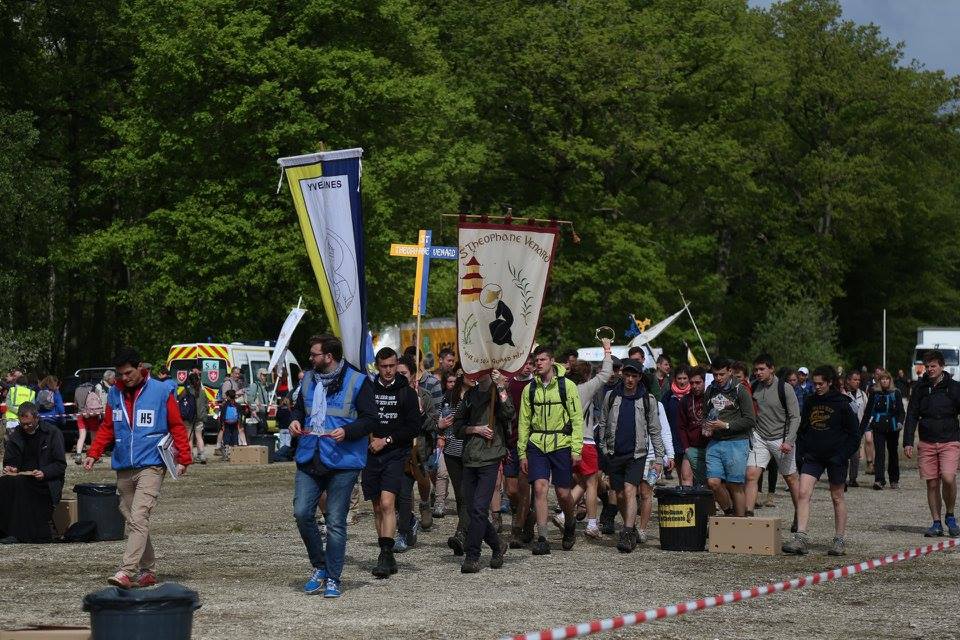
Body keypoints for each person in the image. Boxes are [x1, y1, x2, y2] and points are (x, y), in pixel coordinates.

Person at [83, 348, 193, 587]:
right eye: (121, 374)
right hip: (123, 466)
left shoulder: (162, 391)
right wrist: (93, 453)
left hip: (152, 465)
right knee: (133, 520)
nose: (125, 378)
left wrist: (184, 457)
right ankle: (148, 569)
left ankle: (127, 570)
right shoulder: (114, 394)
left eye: (129, 372)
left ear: (140, 367)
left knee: (140, 515)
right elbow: (108, 428)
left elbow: (176, 425)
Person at [289, 334, 376, 597]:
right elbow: (298, 409)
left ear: (329, 356)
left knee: (336, 522)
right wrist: (294, 421)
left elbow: (371, 420)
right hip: (310, 455)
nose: (310, 358)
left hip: (343, 460)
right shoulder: (308, 380)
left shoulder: (358, 381)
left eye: (314, 354)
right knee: (302, 513)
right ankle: (320, 566)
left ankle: (333, 578)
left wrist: (348, 432)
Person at [783, 365, 860, 556]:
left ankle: (839, 540)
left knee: (837, 497)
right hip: (813, 456)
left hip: (836, 457)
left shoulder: (843, 403)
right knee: (803, 493)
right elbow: (803, 430)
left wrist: (843, 455)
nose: (817, 387)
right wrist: (801, 453)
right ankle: (800, 537)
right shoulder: (810, 402)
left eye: (821, 383)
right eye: (814, 383)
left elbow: (854, 435)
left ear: (830, 382)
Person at [517, 345, 583, 555]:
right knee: (539, 489)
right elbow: (524, 422)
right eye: (537, 360)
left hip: (561, 443)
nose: (539, 363)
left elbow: (576, 419)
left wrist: (576, 448)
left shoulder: (568, 386)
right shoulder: (530, 389)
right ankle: (543, 537)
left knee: (563, 493)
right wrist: (521, 452)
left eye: (543, 359)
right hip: (537, 444)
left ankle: (570, 523)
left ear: (552, 361)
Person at [362, 348, 420, 578]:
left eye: (392, 365)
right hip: (370, 454)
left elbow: (412, 427)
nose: (388, 370)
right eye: (384, 366)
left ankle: (386, 553)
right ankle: (386, 551)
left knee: (388, 503)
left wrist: (386, 440)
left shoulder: (407, 392)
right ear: (377, 366)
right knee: (377, 506)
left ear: (397, 365)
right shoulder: (368, 389)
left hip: (395, 453)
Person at [596, 360, 665, 552]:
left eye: (634, 376)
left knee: (629, 490)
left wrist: (659, 459)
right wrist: (603, 448)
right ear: (622, 375)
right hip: (614, 453)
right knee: (618, 495)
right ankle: (630, 525)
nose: (630, 379)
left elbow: (655, 430)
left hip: (637, 454)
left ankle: (627, 533)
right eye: (627, 375)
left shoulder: (647, 399)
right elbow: (602, 423)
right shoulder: (611, 396)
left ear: (639, 377)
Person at [454, 371, 514, 572]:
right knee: (472, 511)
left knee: (479, 509)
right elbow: (457, 427)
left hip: (490, 456)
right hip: (470, 457)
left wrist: (502, 388)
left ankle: (472, 556)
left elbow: (509, 414)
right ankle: (497, 545)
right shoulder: (469, 396)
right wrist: (475, 429)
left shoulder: (498, 391)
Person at [904, 350, 960, 537]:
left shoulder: (954, 387)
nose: (929, 370)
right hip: (927, 441)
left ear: (942, 366)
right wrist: (908, 441)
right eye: (927, 367)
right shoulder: (920, 388)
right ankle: (936, 522)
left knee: (948, 477)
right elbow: (911, 414)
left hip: (950, 440)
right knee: (932, 484)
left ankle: (950, 515)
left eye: (933, 366)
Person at [564, 339, 613, 539]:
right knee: (592, 482)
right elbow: (606, 374)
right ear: (586, 375)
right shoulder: (585, 388)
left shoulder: (563, 389)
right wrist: (607, 350)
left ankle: (562, 514)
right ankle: (592, 524)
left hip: (564, 442)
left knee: (581, 482)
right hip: (585, 441)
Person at [745, 355, 801, 526]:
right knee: (751, 475)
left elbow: (795, 417)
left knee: (790, 478)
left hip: (781, 438)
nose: (758, 373)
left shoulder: (785, 388)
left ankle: (800, 515)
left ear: (772, 369)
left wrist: (789, 441)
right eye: (756, 370)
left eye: (762, 369)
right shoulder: (753, 387)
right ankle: (747, 516)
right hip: (760, 437)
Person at [0, 403, 66, 543]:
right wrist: (10, 468)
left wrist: (44, 472)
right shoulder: (16, 434)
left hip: (46, 482)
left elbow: (60, 464)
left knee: (21, 484)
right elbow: (9, 460)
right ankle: (4, 530)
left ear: (37, 418)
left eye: (29, 424)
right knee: (4, 482)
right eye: (22, 424)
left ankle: (19, 533)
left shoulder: (52, 433)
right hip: (22, 477)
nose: (26, 427)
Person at [393, 355, 438, 551]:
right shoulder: (391, 394)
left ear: (413, 376)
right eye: (397, 373)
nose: (399, 377)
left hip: (417, 450)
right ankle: (409, 522)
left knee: (408, 489)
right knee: (396, 494)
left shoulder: (425, 396)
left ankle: (421, 509)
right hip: (394, 449)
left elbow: (433, 422)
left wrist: (419, 414)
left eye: (403, 373)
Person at [704, 359, 756, 517]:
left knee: (735, 484)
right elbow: (706, 414)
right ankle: (729, 512)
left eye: (722, 374)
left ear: (730, 372)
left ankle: (740, 524)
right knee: (713, 482)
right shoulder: (710, 389)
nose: (718, 378)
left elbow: (750, 420)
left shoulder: (741, 390)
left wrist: (725, 425)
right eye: (715, 374)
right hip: (715, 442)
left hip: (737, 442)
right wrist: (706, 426)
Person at [441, 372, 475, 555]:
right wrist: (440, 428)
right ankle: (466, 534)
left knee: (466, 494)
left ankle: (461, 533)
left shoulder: (477, 395)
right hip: (452, 451)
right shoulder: (450, 396)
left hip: (470, 450)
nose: (473, 376)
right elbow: (443, 419)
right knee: (461, 496)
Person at [505, 356, 534, 547]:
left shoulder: (535, 386)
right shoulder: (509, 386)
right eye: (524, 364)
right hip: (510, 443)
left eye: (530, 364)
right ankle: (527, 515)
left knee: (524, 489)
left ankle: (517, 529)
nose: (527, 367)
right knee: (511, 491)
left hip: (530, 444)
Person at [862, 370, 905, 490]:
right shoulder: (874, 393)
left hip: (893, 427)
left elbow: (901, 411)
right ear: (879, 381)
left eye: (887, 379)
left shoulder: (896, 393)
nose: (884, 381)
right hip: (878, 426)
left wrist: (900, 422)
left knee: (893, 453)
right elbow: (868, 412)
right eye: (882, 379)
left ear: (890, 380)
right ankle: (879, 480)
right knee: (880, 453)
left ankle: (894, 479)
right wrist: (862, 428)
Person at [433, 371, 459, 520]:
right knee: (442, 473)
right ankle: (439, 503)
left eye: (455, 382)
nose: (452, 385)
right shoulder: (442, 399)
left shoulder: (463, 399)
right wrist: (440, 435)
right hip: (445, 440)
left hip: (460, 440)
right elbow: (438, 419)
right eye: (449, 382)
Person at [677, 367, 709, 487]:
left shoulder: (711, 398)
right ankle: (689, 504)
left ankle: (709, 505)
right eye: (692, 383)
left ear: (704, 382)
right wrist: (686, 447)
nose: (695, 386)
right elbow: (681, 426)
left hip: (710, 447)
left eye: (698, 382)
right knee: (685, 477)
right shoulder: (685, 401)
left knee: (710, 481)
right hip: (691, 447)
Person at [843, 370, 871, 487]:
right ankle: (841, 478)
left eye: (859, 380)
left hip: (857, 429)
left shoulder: (863, 395)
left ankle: (853, 478)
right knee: (843, 455)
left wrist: (866, 425)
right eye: (855, 380)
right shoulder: (843, 395)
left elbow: (866, 411)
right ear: (848, 381)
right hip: (844, 429)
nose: (857, 382)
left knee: (855, 455)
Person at [179, 373, 209, 464]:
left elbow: (179, 400)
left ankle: (190, 456)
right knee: (199, 436)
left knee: (189, 438)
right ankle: (202, 455)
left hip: (188, 418)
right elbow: (206, 405)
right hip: (200, 417)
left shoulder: (186, 391)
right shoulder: (202, 392)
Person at [218, 389, 243, 461]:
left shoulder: (225, 405)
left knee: (226, 437)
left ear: (228, 397)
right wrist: (240, 423)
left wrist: (221, 424)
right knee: (235, 436)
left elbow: (222, 415)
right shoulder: (237, 405)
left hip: (227, 423)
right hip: (235, 423)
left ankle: (226, 454)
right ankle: (235, 453)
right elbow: (240, 415)